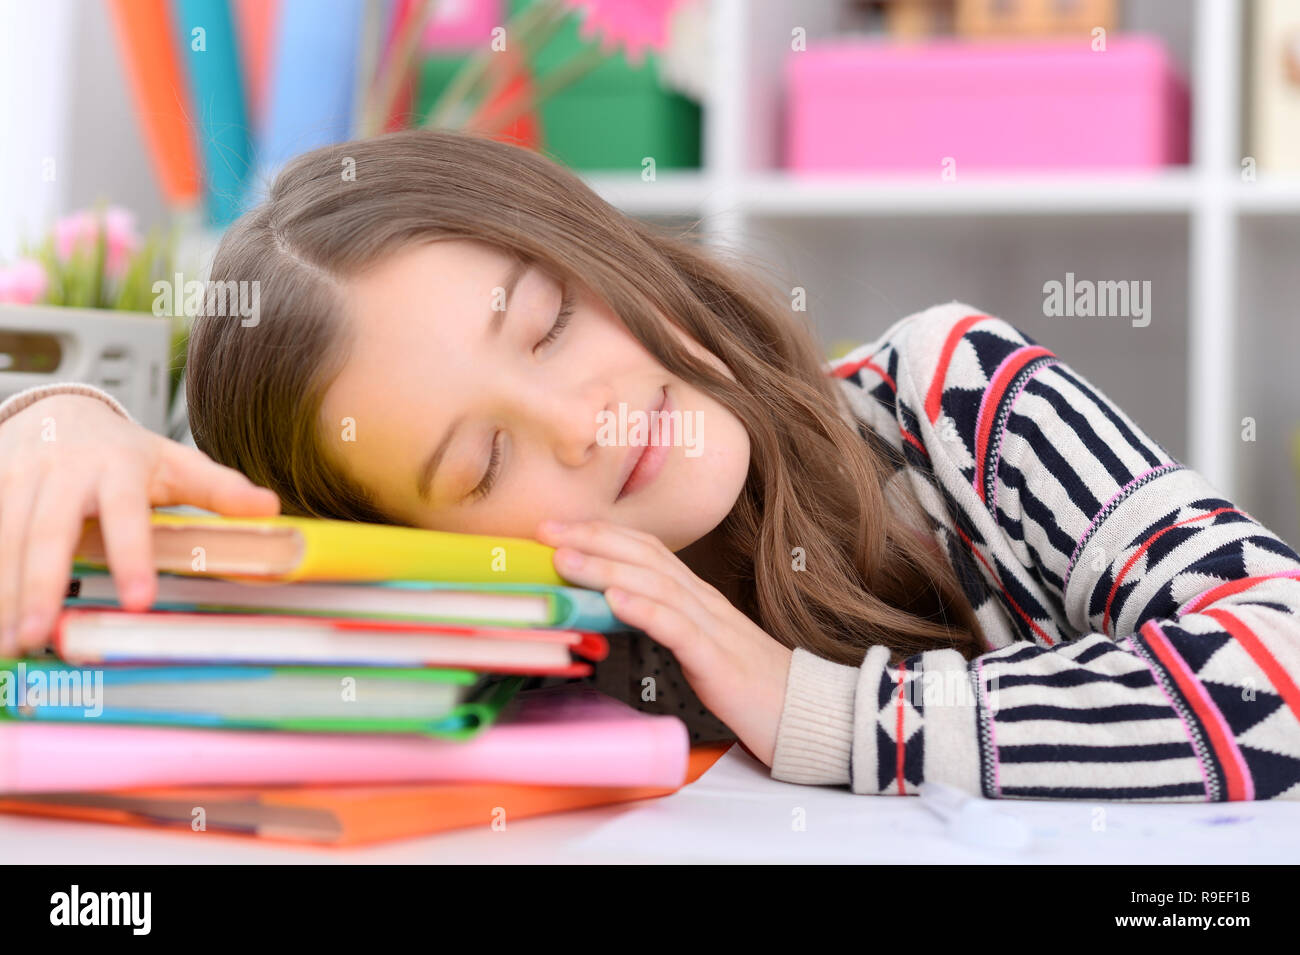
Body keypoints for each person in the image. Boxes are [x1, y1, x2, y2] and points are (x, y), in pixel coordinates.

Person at [3, 127, 1298, 800]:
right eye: (482, 458)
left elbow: (1281, 662)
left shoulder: (945, 397)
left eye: (552, 321)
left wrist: (826, 716)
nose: (586, 421)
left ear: (603, 249)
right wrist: (53, 416)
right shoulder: (554, 656)